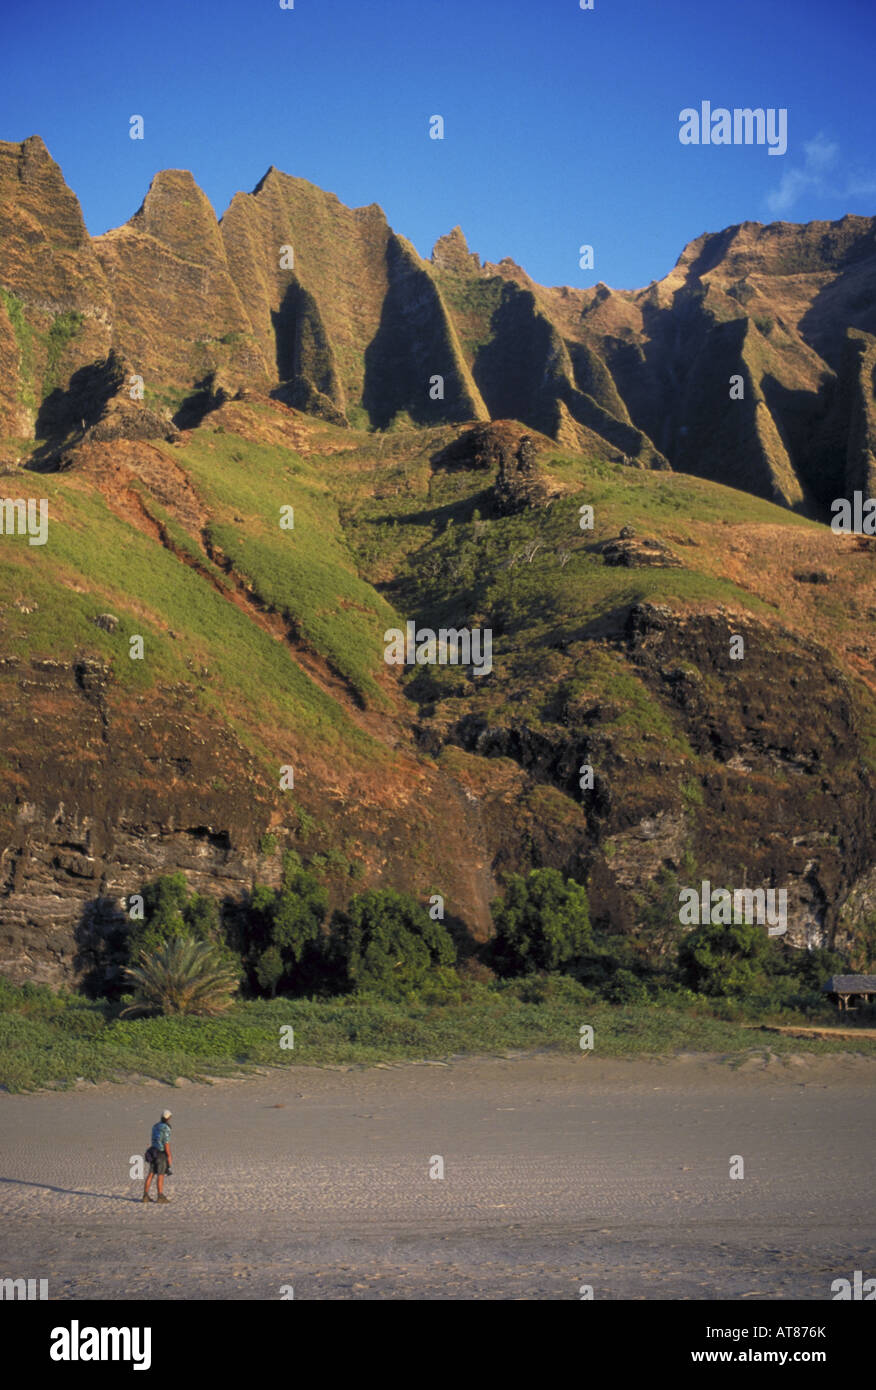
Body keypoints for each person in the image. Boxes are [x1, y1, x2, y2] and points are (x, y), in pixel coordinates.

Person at [142, 1109, 174, 1204]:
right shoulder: (166, 1128)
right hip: (161, 1153)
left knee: (151, 1174)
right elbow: (166, 1143)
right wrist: (169, 1156)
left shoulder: (155, 1126)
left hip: (153, 1151)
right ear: (169, 1118)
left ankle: (145, 1195)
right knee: (160, 1174)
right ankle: (160, 1196)